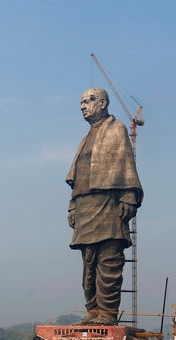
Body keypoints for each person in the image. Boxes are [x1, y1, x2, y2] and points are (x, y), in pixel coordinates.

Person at [65, 88, 143, 325]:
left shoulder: (116, 129)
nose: (82, 106)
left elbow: (126, 165)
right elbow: (77, 177)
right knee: (88, 267)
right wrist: (72, 207)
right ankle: (93, 311)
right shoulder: (86, 137)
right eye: (81, 102)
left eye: (88, 101)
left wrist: (128, 195)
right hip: (85, 205)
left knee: (109, 261)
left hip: (108, 204)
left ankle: (107, 313)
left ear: (103, 103)